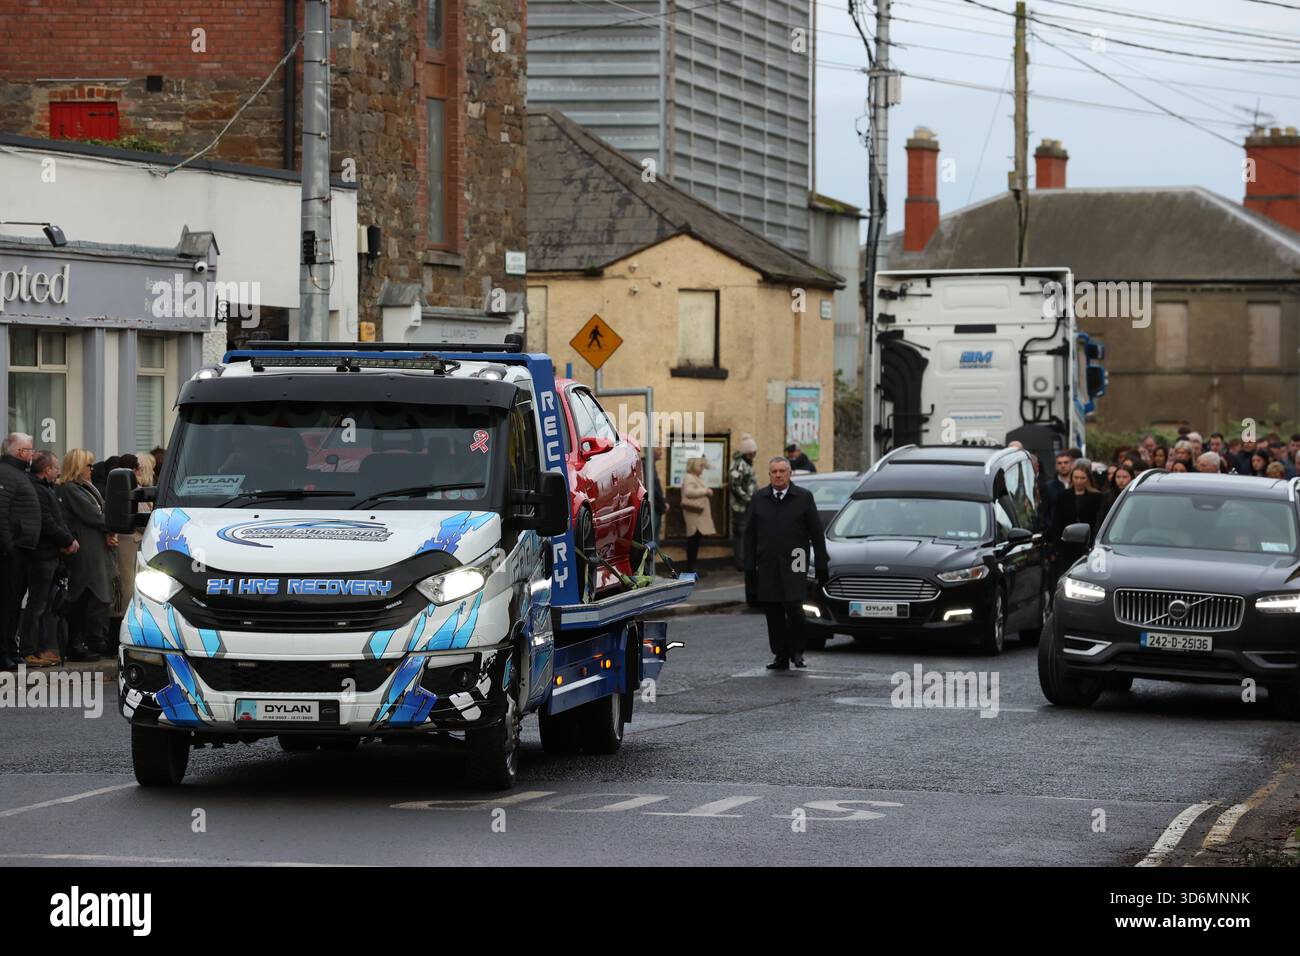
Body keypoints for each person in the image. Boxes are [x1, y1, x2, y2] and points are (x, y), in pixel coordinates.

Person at [744, 456, 828, 671]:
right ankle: (780, 655)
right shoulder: (759, 498)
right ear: (770, 474)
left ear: (790, 473)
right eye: (774, 471)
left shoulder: (804, 497)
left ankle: (797, 651)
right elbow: (750, 536)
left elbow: (816, 534)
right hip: (768, 564)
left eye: (783, 471)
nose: (779, 475)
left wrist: (821, 564)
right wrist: (749, 567)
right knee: (773, 612)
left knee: (795, 608)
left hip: (795, 563)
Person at [57, 449, 118, 661]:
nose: (91, 469)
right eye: (88, 466)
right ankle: (77, 643)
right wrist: (112, 525)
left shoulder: (85, 488)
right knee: (82, 596)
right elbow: (94, 515)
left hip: (95, 548)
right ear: (77, 467)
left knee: (94, 597)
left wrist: (110, 531)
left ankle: (88, 640)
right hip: (85, 551)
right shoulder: (71, 490)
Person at [20, 451, 77, 667]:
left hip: (51, 553)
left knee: (44, 605)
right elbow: (47, 520)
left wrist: (69, 538)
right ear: (47, 470)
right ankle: (29, 650)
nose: (59, 471)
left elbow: (58, 518)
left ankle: (41, 648)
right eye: (55, 467)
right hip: (42, 555)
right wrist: (67, 540)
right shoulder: (38, 490)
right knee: (37, 605)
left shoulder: (47, 489)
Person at [0, 432, 41, 670]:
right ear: (19, 453)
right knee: (7, 604)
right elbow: (2, 513)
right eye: (30, 451)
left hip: (22, 550)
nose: (32, 455)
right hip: (12, 552)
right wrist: (9, 547)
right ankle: (3, 653)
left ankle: (10, 650)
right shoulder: (7, 474)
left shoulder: (18, 475)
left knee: (14, 604)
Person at [1049, 462, 1105, 585]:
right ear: (1072, 478)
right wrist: (1056, 546)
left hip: (1087, 544)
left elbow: (1098, 520)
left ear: (1088, 479)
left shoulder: (1096, 497)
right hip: (1066, 545)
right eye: (1076, 478)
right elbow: (1057, 521)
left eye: (1082, 478)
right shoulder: (1063, 496)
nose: (1079, 481)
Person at [679, 457, 714, 573]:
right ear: (694, 466)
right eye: (700, 466)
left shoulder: (694, 477)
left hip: (696, 514)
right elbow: (689, 492)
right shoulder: (689, 477)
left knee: (695, 540)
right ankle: (691, 568)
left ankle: (692, 567)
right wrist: (706, 491)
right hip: (694, 514)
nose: (702, 468)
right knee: (693, 541)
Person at [728, 435, 758, 571]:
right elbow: (735, 486)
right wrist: (748, 498)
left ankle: (744, 560)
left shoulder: (747, 463)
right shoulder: (739, 465)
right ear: (747, 452)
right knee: (741, 533)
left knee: (745, 533)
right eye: (753, 451)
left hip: (746, 504)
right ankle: (740, 562)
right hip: (740, 506)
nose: (755, 454)